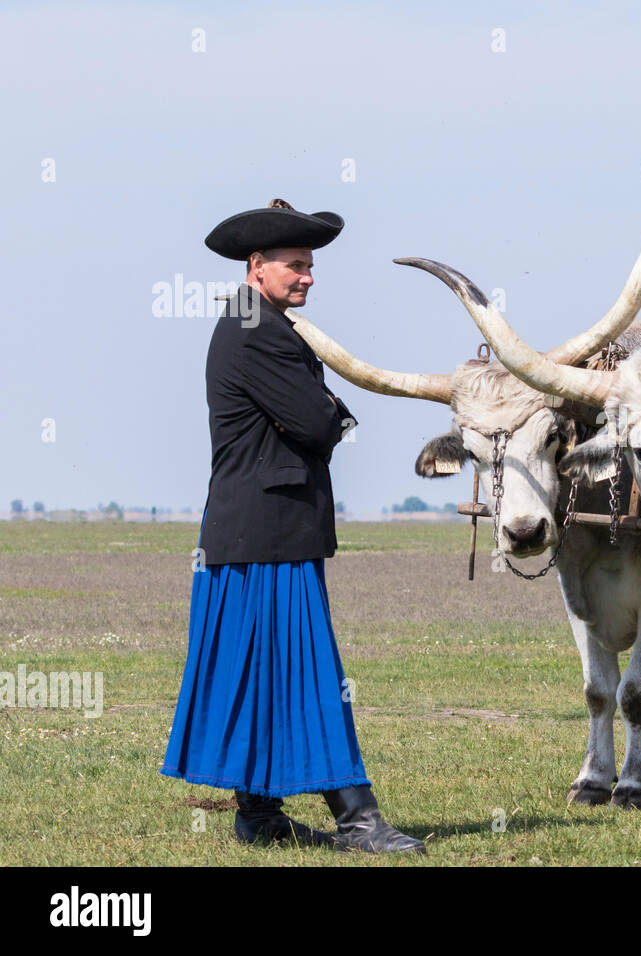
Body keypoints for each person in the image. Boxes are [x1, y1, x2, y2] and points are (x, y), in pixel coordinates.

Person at [161, 199, 425, 855]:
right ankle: (357, 819)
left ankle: (259, 816)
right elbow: (315, 422)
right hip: (269, 532)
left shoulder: (253, 320)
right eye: (296, 265)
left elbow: (305, 417)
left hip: (248, 531)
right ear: (258, 266)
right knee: (308, 673)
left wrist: (324, 412)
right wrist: (335, 414)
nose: (308, 277)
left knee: (258, 675)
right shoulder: (262, 329)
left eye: (310, 266)